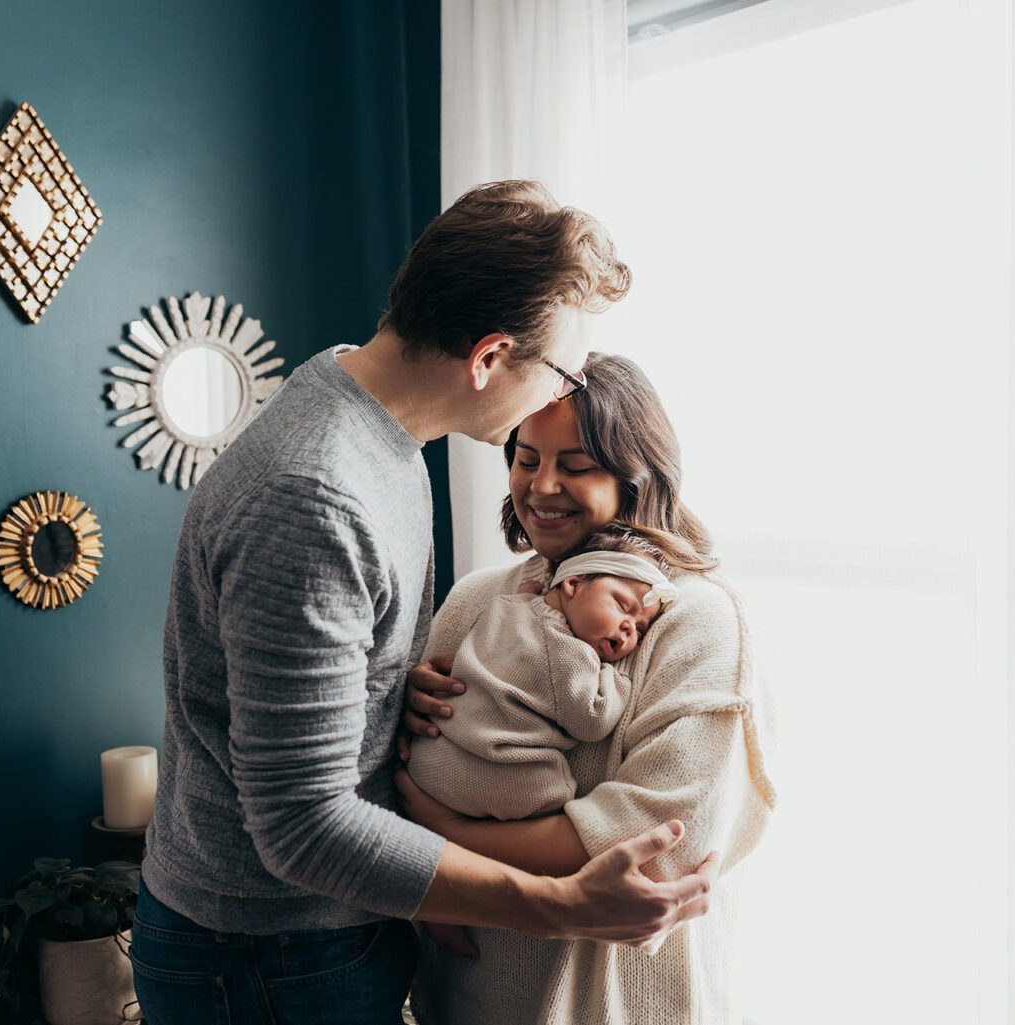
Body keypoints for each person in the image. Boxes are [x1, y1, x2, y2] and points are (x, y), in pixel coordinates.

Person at [130, 181, 721, 1025]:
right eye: (560, 373)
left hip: (317, 932)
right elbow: (301, 826)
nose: (558, 396)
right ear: (488, 358)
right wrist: (558, 905)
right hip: (267, 953)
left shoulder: (372, 420)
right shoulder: (316, 496)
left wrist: (389, 695)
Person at [398, 353, 777, 1025]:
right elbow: (396, 782)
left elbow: (656, 842)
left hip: (623, 1004)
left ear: (637, 475)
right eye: (526, 458)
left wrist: (445, 838)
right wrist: (401, 713)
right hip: (471, 998)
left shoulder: (696, 620)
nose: (542, 485)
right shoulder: (477, 600)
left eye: (574, 466)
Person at [405, 525, 679, 821]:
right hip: (501, 774)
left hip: (431, 758)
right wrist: (619, 675)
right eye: (622, 605)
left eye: (640, 629)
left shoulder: (508, 604)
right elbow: (592, 720)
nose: (629, 630)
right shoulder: (571, 652)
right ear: (573, 583)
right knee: (560, 801)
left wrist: (526, 596)